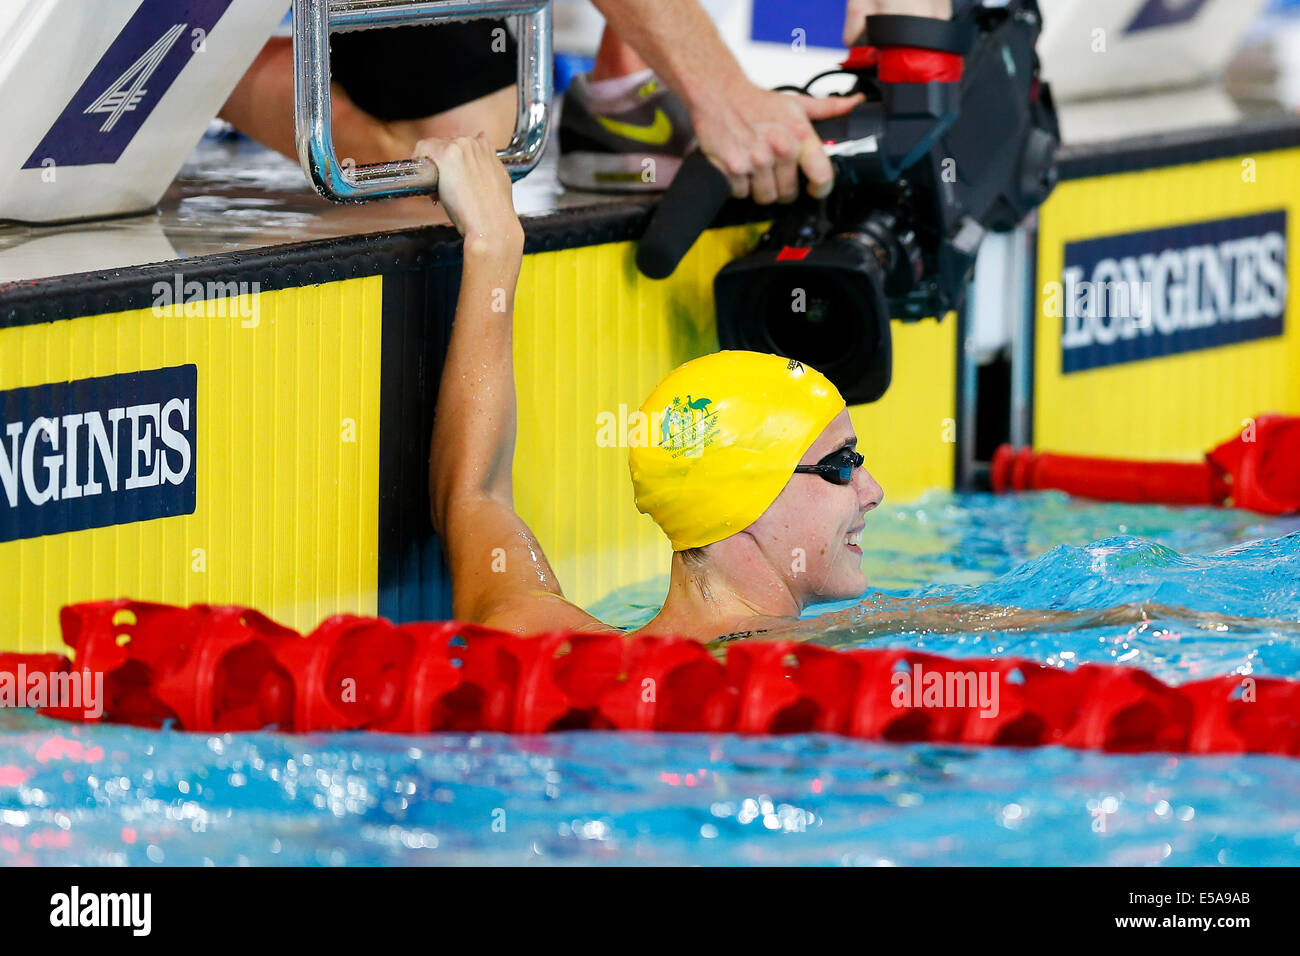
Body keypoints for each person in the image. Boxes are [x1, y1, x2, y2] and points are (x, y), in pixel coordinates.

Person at [421, 135, 1262, 644]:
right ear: (743, 500)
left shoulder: (539, 633)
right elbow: (1076, 627)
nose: (874, 489)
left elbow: (472, 491)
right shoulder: (813, 657)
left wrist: (495, 244)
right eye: (841, 465)